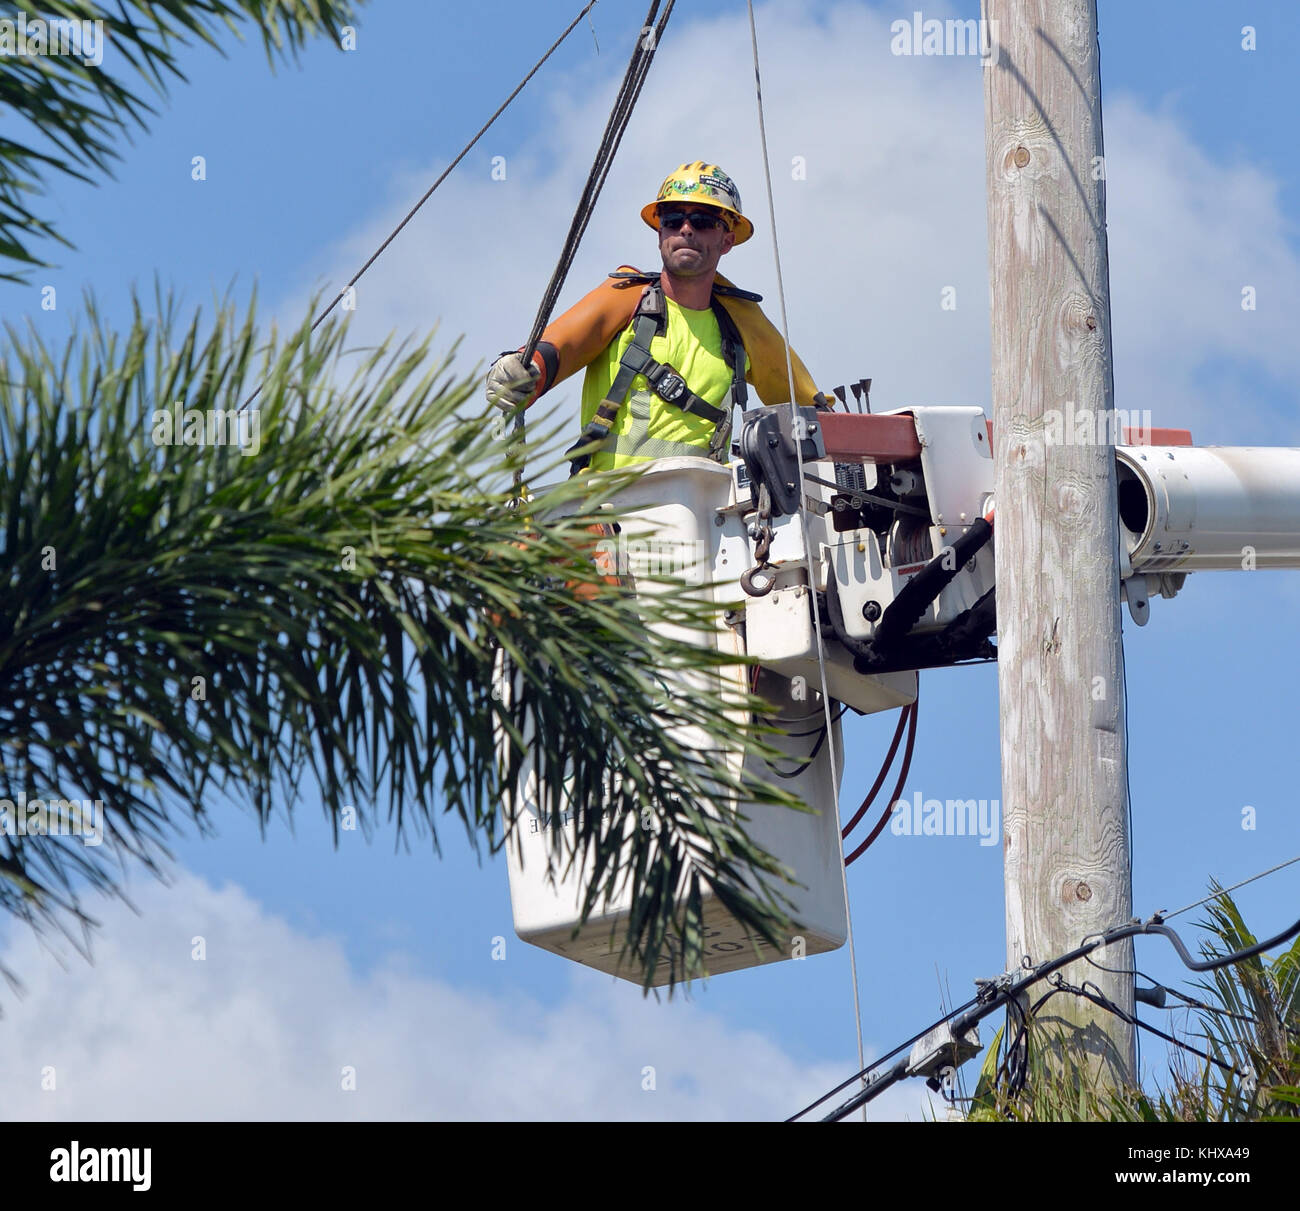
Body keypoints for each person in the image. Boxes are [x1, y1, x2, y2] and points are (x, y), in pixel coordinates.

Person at [486, 161, 828, 474]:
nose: (686, 230)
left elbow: (813, 412)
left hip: (703, 518)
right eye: (672, 220)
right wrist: (520, 371)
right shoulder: (626, 299)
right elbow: (559, 346)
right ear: (660, 233)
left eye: (703, 221)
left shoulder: (742, 326)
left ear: (727, 240)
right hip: (609, 510)